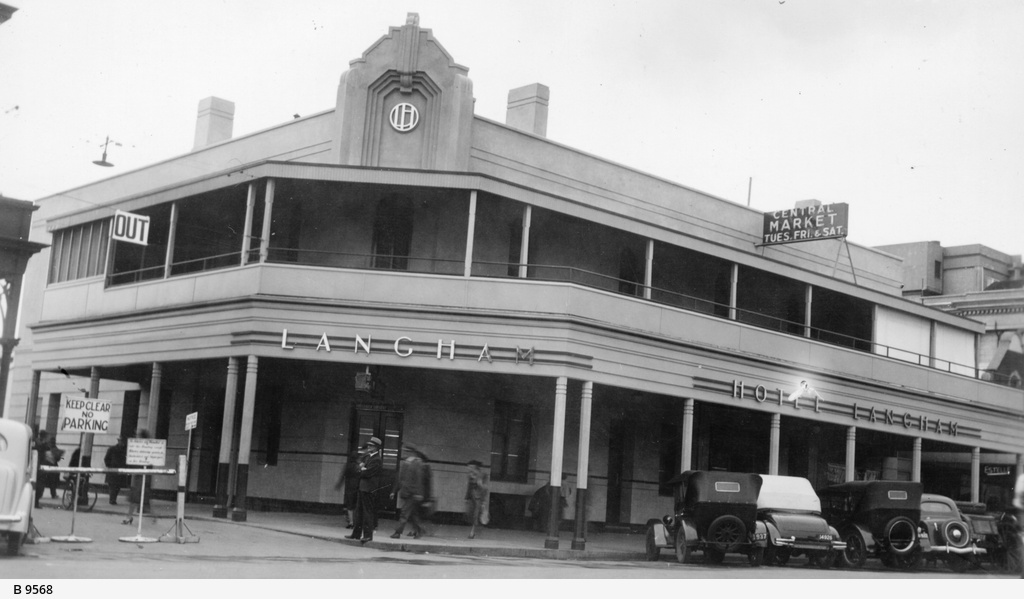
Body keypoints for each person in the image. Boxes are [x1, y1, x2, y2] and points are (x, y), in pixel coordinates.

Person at [345, 436, 382, 543]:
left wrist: (362, 469)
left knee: (367, 513)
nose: (369, 447)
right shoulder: (368, 457)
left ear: (376, 447)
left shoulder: (376, 460)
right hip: (363, 487)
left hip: (369, 489)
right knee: (359, 512)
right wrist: (362, 469)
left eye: (371, 445)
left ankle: (368, 535)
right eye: (369, 445)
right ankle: (356, 534)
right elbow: (359, 469)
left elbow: (367, 473)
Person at [390, 442, 428, 539]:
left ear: (412, 452)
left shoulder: (417, 463)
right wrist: (394, 491)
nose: (404, 453)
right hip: (406, 492)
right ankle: (419, 530)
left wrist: (419, 493)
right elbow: (400, 479)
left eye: (406, 451)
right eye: (404, 451)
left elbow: (419, 479)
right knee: (412, 514)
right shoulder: (405, 463)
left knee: (404, 513)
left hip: (412, 493)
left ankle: (398, 532)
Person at [123, 429, 153, 525]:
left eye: (138, 436)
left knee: (136, 498)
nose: (136, 437)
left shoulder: (143, 448)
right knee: (138, 499)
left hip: (142, 476)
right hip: (140, 476)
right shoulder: (143, 448)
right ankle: (130, 516)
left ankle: (129, 517)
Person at [334, 445, 365, 528]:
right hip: (357, 487)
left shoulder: (348, 465)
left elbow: (343, 476)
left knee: (349, 506)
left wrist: (339, 485)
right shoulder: (358, 466)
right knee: (355, 506)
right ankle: (356, 522)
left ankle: (351, 523)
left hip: (349, 487)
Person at [465, 460, 488, 539]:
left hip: (478, 498)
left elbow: (485, 488)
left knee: (475, 515)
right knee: (469, 513)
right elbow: (469, 487)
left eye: (471, 467)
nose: (469, 469)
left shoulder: (483, 475)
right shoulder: (470, 475)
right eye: (468, 467)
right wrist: (466, 497)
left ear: (475, 467)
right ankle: (475, 527)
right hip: (470, 497)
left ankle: (472, 532)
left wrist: (483, 501)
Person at [104, 436, 128, 505]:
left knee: (118, 487)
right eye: (120, 441)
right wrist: (110, 466)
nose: (122, 443)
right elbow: (106, 459)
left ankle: (113, 499)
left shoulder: (125, 450)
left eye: (122, 441)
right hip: (113, 471)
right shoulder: (112, 449)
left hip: (120, 472)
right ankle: (112, 500)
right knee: (112, 486)